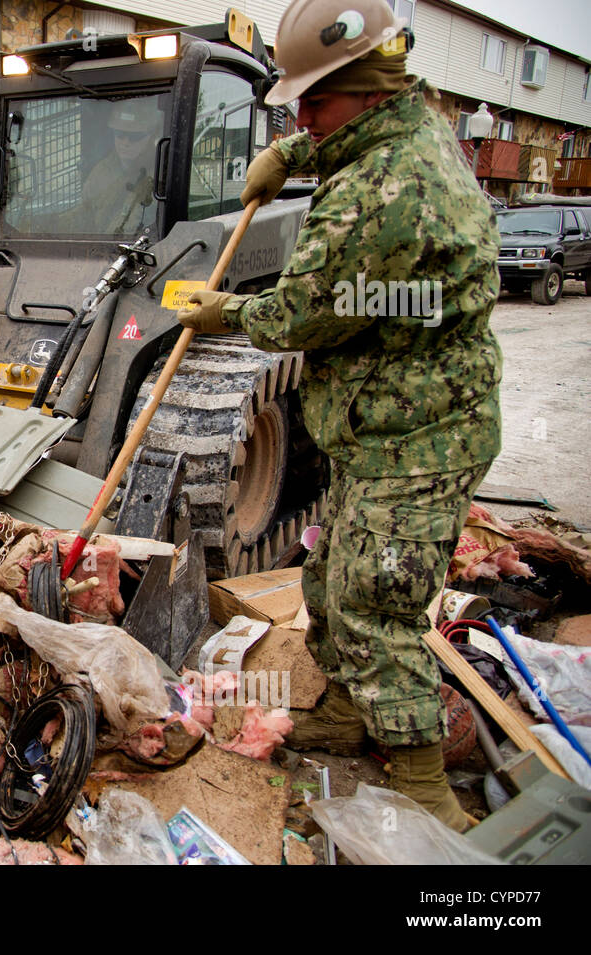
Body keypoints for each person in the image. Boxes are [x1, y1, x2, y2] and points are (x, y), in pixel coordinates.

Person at [176, 0, 501, 831]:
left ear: (364, 90)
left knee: (375, 596)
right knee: (326, 575)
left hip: (420, 435)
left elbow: (302, 315)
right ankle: (354, 713)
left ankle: (425, 781)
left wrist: (227, 312)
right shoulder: (389, 129)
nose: (302, 117)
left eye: (312, 105)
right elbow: (339, 130)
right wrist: (290, 150)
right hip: (381, 425)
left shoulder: (386, 194)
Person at [82, 101, 161, 235]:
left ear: (150, 136)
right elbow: (85, 212)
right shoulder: (101, 171)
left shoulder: (160, 173)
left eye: (134, 137)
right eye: (119, 134)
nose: (125, 142)